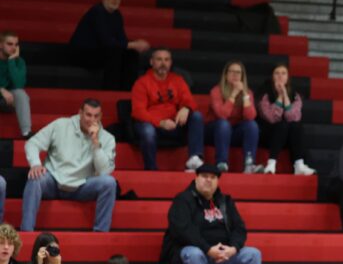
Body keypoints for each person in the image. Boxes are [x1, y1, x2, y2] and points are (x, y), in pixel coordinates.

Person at [158, 163, 262, 264]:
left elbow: (239, 228)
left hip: (222, 253)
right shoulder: (183, 199)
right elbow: (182, 230)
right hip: (194, 252)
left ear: (217, 181)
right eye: (204, 176)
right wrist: (207, 249)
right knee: (194, 254)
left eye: (213, 177)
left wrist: (233, 248)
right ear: (196, 178)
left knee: (253, 254)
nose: (208, 180)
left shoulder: (225, 201)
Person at [22, 99, 117, 233]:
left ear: (100, 117)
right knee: (35, 177)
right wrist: (35, 164)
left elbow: (104, 171)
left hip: (82, 185)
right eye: (88, 115)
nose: (91, 120)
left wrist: (96, 142)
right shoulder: (61, 125)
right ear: (80, 113)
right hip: (53, 181)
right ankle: (26, 231)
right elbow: (32, 143)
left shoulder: (107, 138)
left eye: (96, 116)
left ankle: (100, 233)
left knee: (109, 183)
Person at [130, 47, 205, 171]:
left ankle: (194, 160)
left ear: (170, 63)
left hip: (174, 124)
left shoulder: (178, 80)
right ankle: (151, 169)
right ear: (151, 62)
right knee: (147, 131)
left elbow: (190, 101)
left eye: (166, 60)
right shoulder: (142, 82)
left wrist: (186, 108)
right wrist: (160, 123)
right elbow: (138, 111)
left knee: (196, 116)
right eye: (159, 59)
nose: (163, 63)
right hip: (152, 124)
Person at [69, 0, 149, 90]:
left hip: (102, 51)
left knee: (131, 53)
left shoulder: (117, 15)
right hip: (83, 52)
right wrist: (133, 44)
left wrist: (134, 45)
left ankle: (129, 92)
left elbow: (122, 40)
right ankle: (111, 92)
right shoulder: (97, 12)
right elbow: (106, 41)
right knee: (114, 52)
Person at [256, 64, 315, 176]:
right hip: (268, 135)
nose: (280, 76)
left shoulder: (295, 95)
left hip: (287, 137)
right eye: (277, 73)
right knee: (281, 125)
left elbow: (293, 118)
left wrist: (285, 96)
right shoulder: (265, 94)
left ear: (288, 77)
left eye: (283, 73)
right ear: (272, 76)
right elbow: (272, 118)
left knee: (296, 126)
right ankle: (271, 163)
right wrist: (279, 96)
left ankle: (298, 165)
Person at [209, 61, 261, 174]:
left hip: (235, 132)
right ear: (225, 75)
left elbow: (250, 116)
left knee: (252, 125)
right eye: (231, 71)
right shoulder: (216, 91)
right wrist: (234, 93)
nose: (235, 75)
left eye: (238, 72)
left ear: (242, 76)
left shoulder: (248, 92)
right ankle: (221, 162)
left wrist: (244, 95)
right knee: (224, 123)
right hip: (216, 131)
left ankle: (249, 164)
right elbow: (222, 115)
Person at [0, 30, 31, 138]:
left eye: (16, 44)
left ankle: (26, 133)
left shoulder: (19, 61)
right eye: (9, 44)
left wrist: (11, 61)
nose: (13, 47)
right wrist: (1, 89)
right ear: (0, 45)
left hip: (9, 102)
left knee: (21, 93)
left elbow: (18, 84)